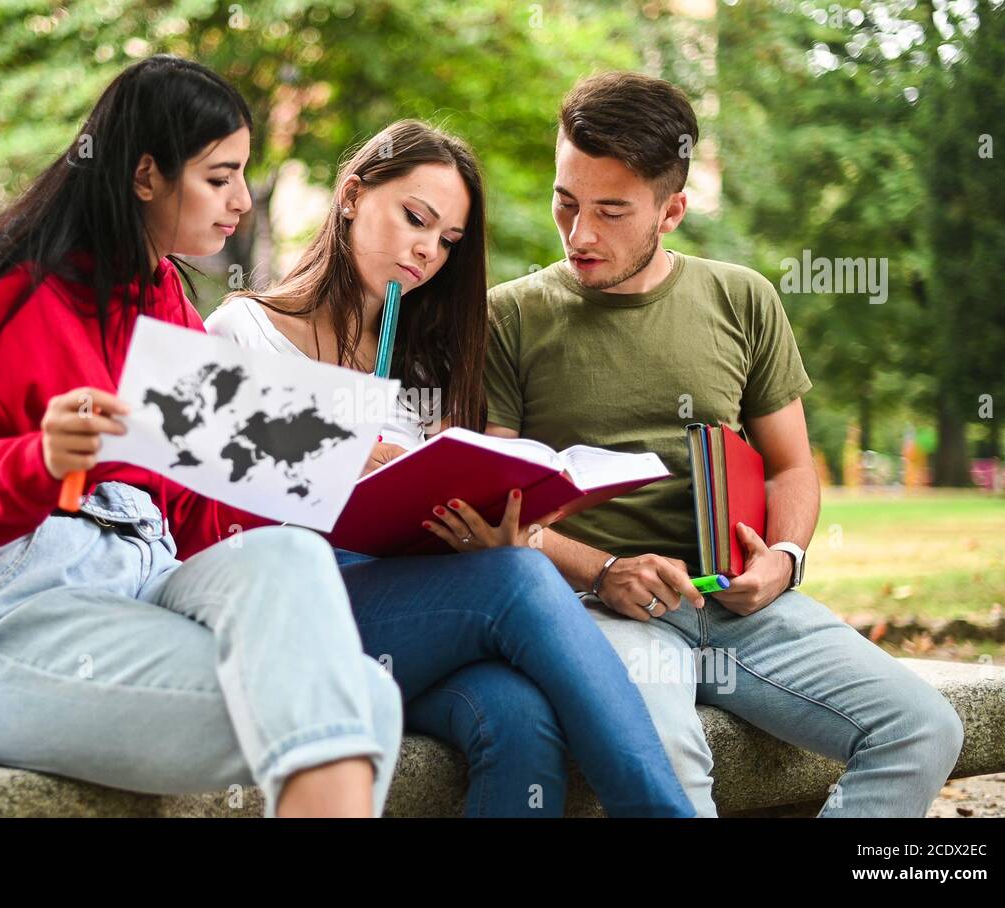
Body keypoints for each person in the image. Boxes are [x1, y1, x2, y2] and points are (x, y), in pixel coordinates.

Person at [445, 71, 963, 817]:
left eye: (612, 210)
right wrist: (605, 571)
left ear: (673, 210)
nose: (580, 233)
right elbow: (499, 510)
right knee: (672, 764)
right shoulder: (509, 318)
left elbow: (792, 468)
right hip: (600, 612)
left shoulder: (741, 297)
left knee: (923, 727)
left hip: (740, 605)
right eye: (567, 202)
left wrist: (783, 561)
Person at [0, 55, 403, 818]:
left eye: (243, 176)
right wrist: (36, 460)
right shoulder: (18, 301)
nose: (240, 201)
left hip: (147, 596)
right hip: (24, 630)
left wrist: (342, 475)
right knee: (356, 708)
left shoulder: (167, 300)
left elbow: (201, 519)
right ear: (144, 176)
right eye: (218, 176)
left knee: (345, 654)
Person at [205, 120, 694, 818]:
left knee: (522, 720)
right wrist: (328, 456)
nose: (427, 251)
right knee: (520, 576)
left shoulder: (421, 365)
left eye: (448, 241)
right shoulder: (242, 332)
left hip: (405, 618)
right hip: (295, 610)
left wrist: (479, 521)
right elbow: (203, 513)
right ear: (349, 196)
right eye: (415, 219)